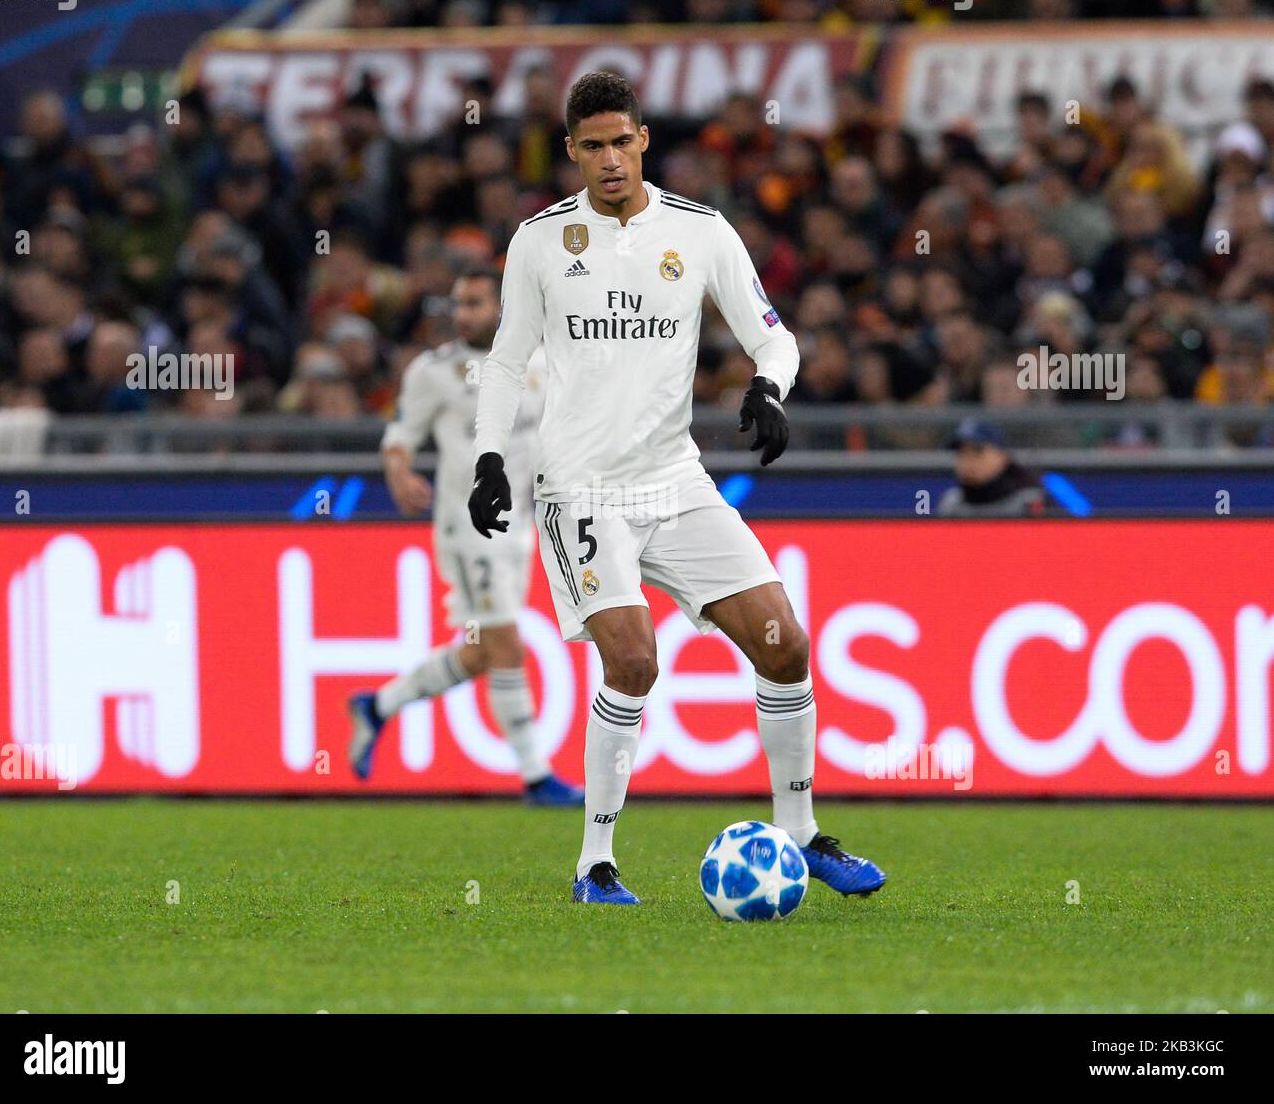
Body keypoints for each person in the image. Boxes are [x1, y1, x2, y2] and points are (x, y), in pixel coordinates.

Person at [467, 71, 886, 905]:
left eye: (622, 141)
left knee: (785, 643)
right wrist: (488, 459)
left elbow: (776, 339)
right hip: (580, 490)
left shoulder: (700, 231)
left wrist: (770, 389)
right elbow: (508, 360)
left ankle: (800, 835)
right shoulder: (540, 241)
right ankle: (595, 862)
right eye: (593, 147)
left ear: (644, 139)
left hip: (674, 481)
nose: (611, 159)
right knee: (633, 659)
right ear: (572, 153)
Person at [348, 268, 584, 807]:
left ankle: (377, 707)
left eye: (475, 303)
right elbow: (399, 435)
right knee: (506, 643)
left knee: (481, 653)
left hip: (522, 525)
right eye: (459, 303)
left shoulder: (543, 360)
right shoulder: (435, 372)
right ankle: (536, 777)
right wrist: (400, 472)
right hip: (469, 527)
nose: (463, 314)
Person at [937, 418, 1050, 516]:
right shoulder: (951, 502)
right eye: (961, 453)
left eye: (978, 451)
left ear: (1002, 457)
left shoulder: (1027, 502)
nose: (968, 460)